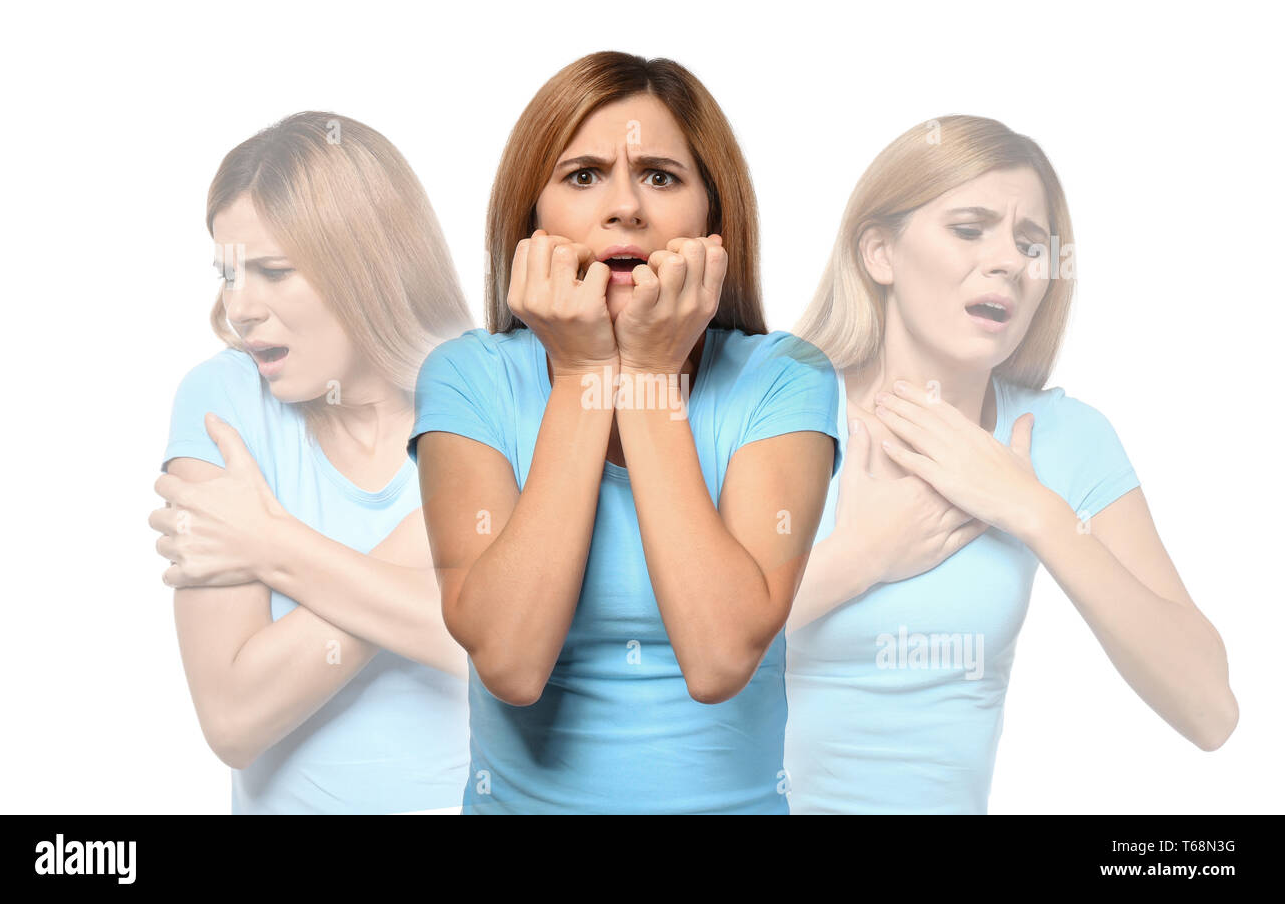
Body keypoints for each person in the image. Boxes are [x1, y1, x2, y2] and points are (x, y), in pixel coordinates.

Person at [413, 52, 843, 813]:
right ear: (531, 221)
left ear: (715, 220)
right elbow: (510, 662)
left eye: (661, 176)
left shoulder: (787, 376)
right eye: (582, 176)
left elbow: (718, 658)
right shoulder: (466, 376)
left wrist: (645, 370)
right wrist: (583, 377)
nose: (625, 209)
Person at [784, 114, 1238, 814]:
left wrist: (1035, 512)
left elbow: (1210, 711)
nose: (1010, 262)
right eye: (970, 229)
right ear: (879, 252)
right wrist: (865, 554)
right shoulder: (776, 409)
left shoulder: (1062, 437)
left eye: (1031, 244)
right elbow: (669, 654)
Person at [151, 111, 473, 813]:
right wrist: (429, 545)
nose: (239, 307)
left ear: (368, 267)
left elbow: (512, 657)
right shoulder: (222, 404)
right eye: (230, 274)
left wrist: (273, 544)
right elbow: (233, 717)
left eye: (272, 272)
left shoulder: (489, 395)